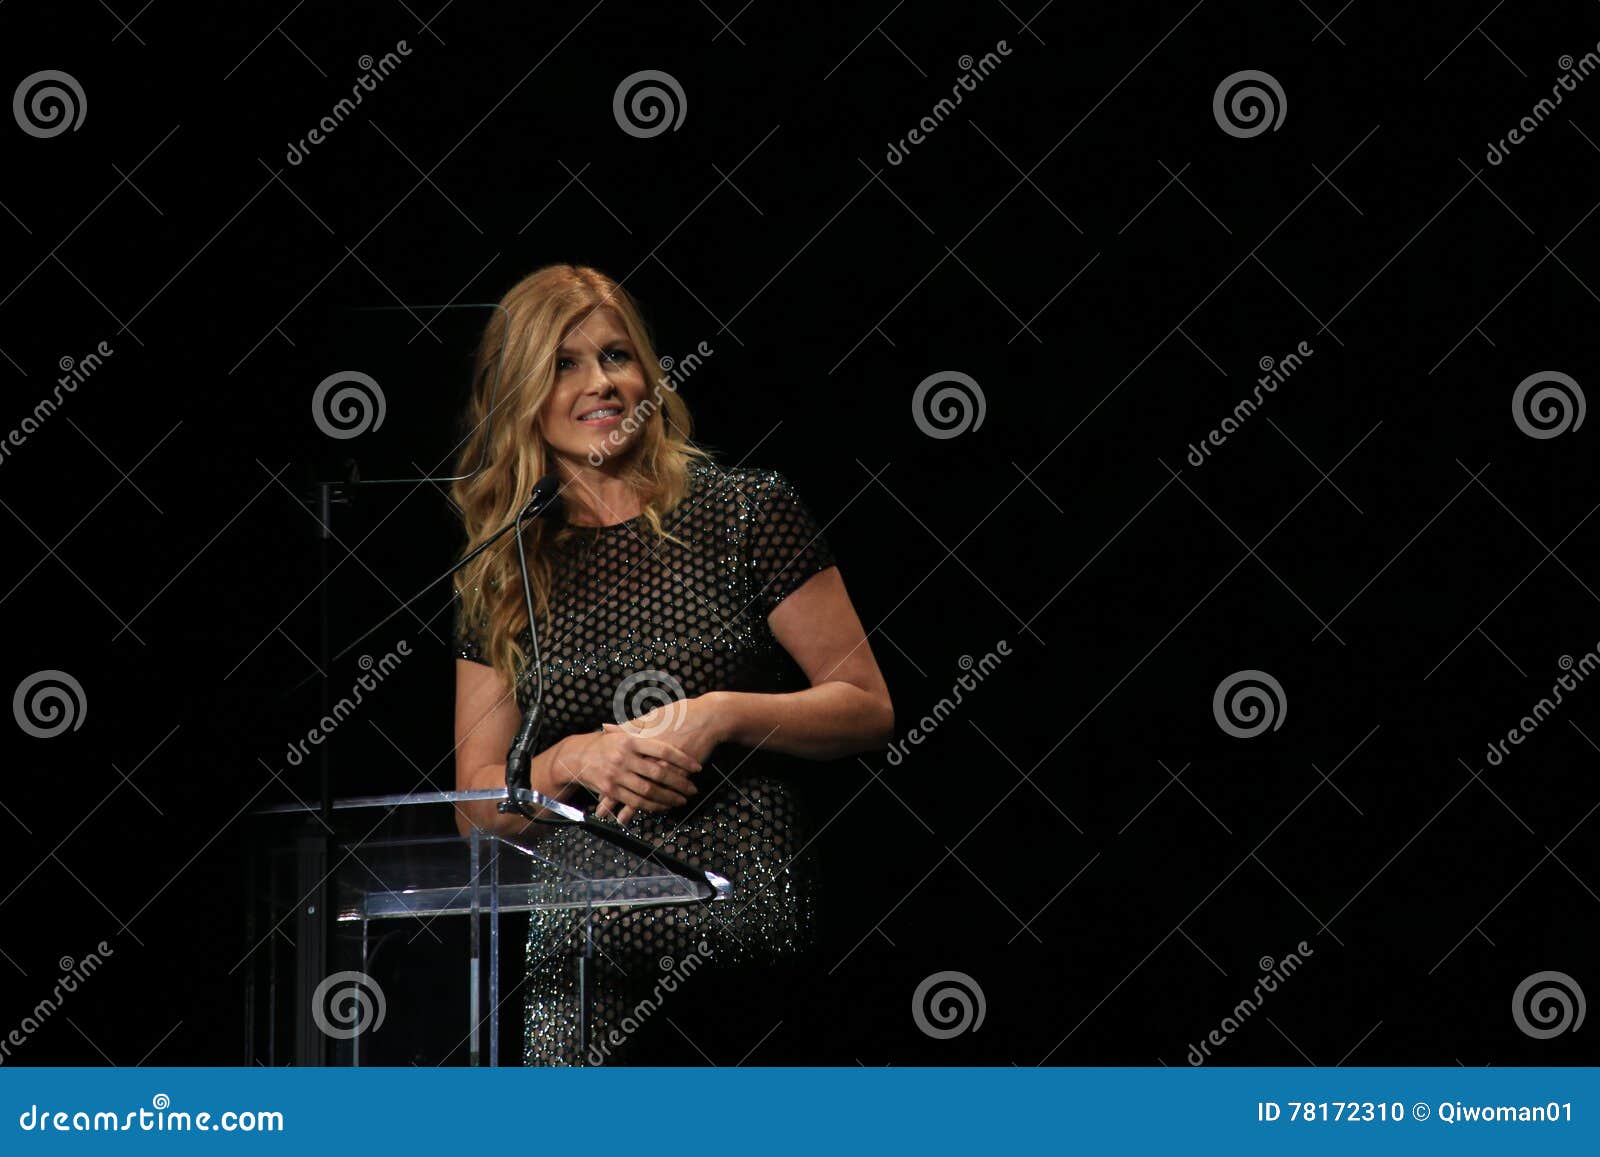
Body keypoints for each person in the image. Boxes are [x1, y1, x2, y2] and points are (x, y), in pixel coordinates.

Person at [449, 264, 893, 1065]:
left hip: (745, 953)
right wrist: (576, 756)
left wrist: (722, 712)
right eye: (564, 363)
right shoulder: (503, 568)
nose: (602, 383)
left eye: (617, 356)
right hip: (578, 981)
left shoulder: (745, 511)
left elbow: (866, 704)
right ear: (519, 391)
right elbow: (476, 800)